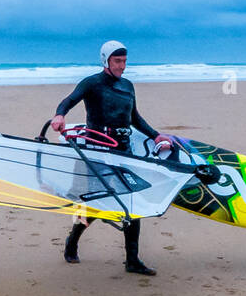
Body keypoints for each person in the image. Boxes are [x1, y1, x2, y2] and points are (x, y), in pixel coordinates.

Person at [50, 41, 175, 275]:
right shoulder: (92, 83)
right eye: (118, 61)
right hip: (97, 151)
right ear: (105, 60)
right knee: (97, 204)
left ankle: (132, 260)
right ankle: (72, 240)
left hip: (124, 151)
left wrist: (156, 136)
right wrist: (59, 115)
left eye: (125, 61)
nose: (122, 66)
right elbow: (68, 100)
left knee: (132, 204)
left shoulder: (128, 86)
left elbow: (134, 118)